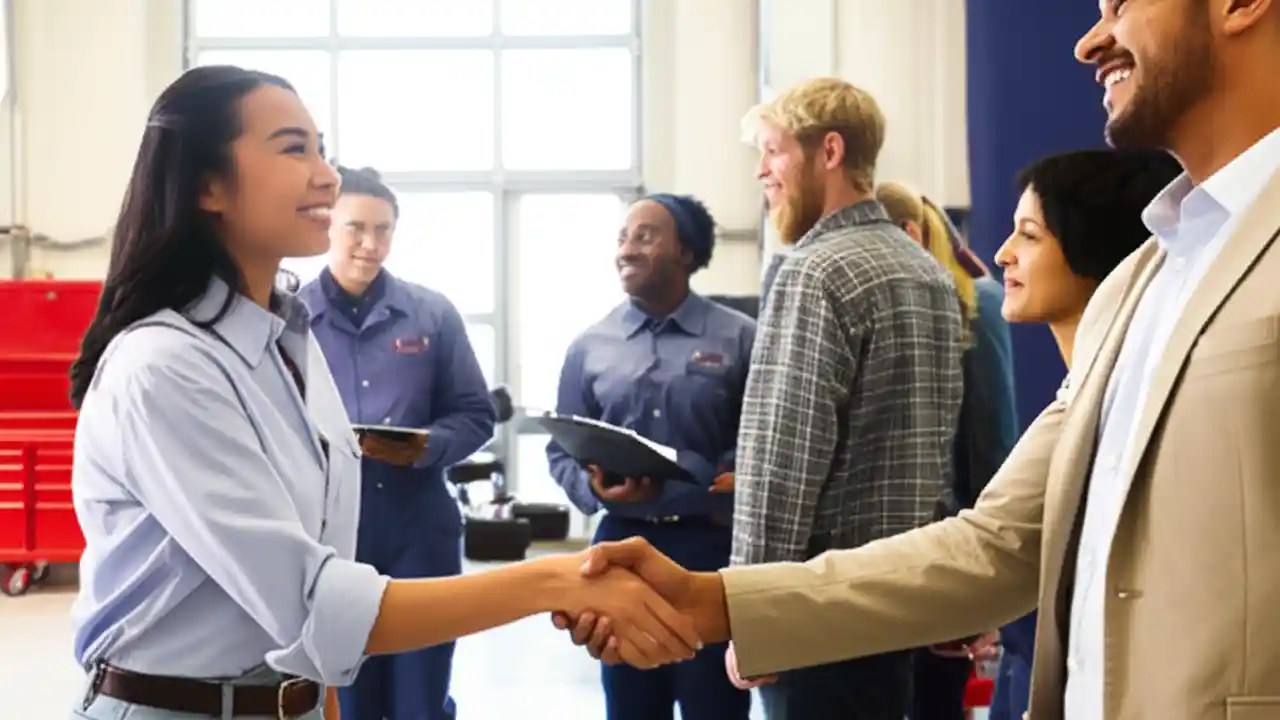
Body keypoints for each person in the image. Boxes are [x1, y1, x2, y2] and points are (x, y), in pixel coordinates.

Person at [558, 2, 1280, 718]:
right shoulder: (1139, 277)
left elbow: (786, 458)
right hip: (880, 616)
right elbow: (1000, 540)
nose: (1091, 42)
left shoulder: (814, 271)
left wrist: (749, 584)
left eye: (1123, 4)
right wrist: (718, 600)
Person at [65, 65, 698, 720]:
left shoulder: (289, 340)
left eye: (322, 148)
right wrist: (558, 578)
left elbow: (312, 609)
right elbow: (312, 600)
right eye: (293, 148)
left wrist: (318, 696)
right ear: (207, 184)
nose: (327, 176)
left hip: (298, 681)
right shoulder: (166, 367)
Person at [983, 147, 1182, 720]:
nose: (1003, 254)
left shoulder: (1138, 403)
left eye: (1029, 235)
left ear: (1097, 252)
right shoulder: (1079, 398)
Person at [546, 194, 755, 720]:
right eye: (622, 237)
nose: (627, 249)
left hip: (711, 548)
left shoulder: (740, 337)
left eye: (645, 236)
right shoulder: (589, 345)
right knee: (632, 706)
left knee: (716, 704)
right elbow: (561, 450)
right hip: (619, 550)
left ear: (686, 252)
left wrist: (697, 477)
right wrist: (593, 489)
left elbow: (759, 442)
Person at [297, 166, 495, 720]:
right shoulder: (287, 318)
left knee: (421, 699)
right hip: (328, 536)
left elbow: (476, 415)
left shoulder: (432, 314)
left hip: (420, 530)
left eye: (383, 229)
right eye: (356, 227)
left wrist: (426, 446)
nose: (370, 243)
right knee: (347, 696)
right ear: (328, 227)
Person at [876, 181, 1019, 720]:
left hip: (942, 555)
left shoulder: (975, 302)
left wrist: (987, 590)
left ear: (910, 235)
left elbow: (991, 447)